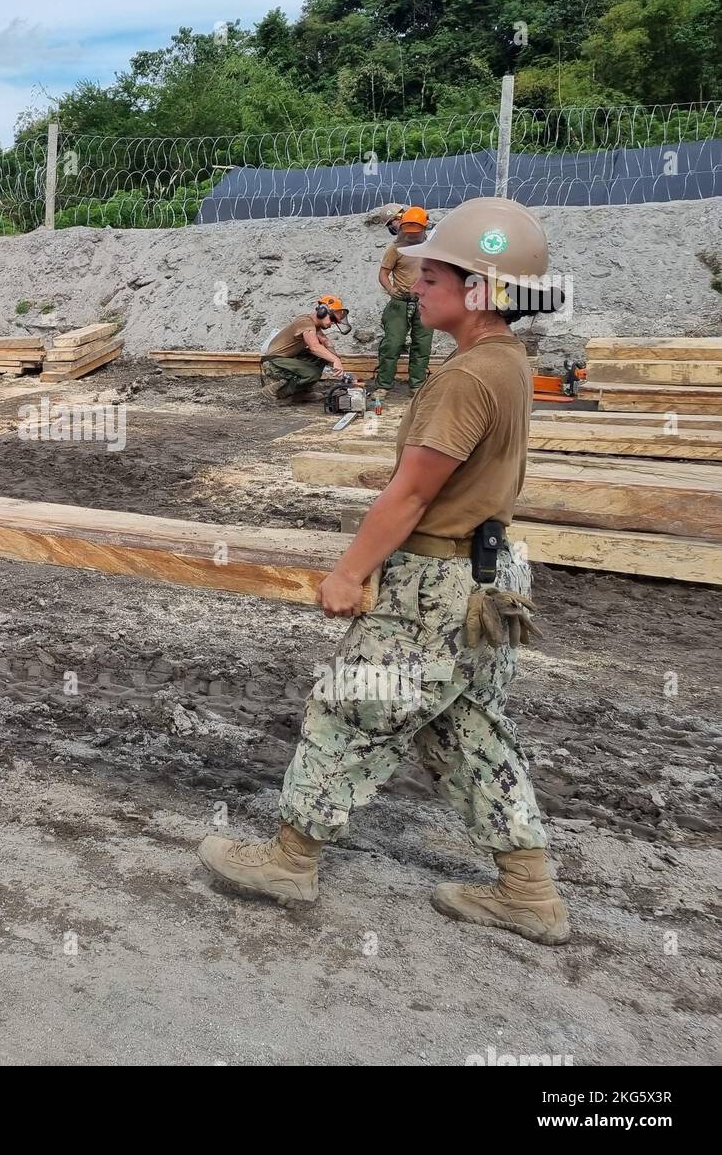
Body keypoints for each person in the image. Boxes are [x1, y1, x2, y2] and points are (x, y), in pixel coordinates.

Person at [199, 197, 570, 946]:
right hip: (488, 577)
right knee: (467, 727)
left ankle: (289, 859)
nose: (416, 281)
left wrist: (350, 570)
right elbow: (451, 475)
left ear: (480, 290)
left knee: (349, 705)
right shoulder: (504, 363)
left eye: (433, 273)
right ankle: (529, 890)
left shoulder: (465, 377)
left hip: (434, 587)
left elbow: (412, 496)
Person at [376, 204, 433, 398]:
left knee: (422, 345)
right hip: (400, 302)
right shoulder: (395, 249)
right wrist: (392, 290)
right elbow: (383, 274)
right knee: (392, 343)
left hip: (425, 303)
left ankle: (417, 385)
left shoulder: (432, 245)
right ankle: (383, 385)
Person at [260, 295, 350, 402]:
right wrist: (336, 360)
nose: (332, 323)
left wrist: (336, 361)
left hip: (285, 359)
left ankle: (300, 392)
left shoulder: (313, 325)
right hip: (273, 362)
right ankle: (275, 391)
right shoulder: (305, 323)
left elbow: (325, 348)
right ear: (322, 312)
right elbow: (314, 347)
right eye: (333, 319)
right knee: (312, 373)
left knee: (323, 358)